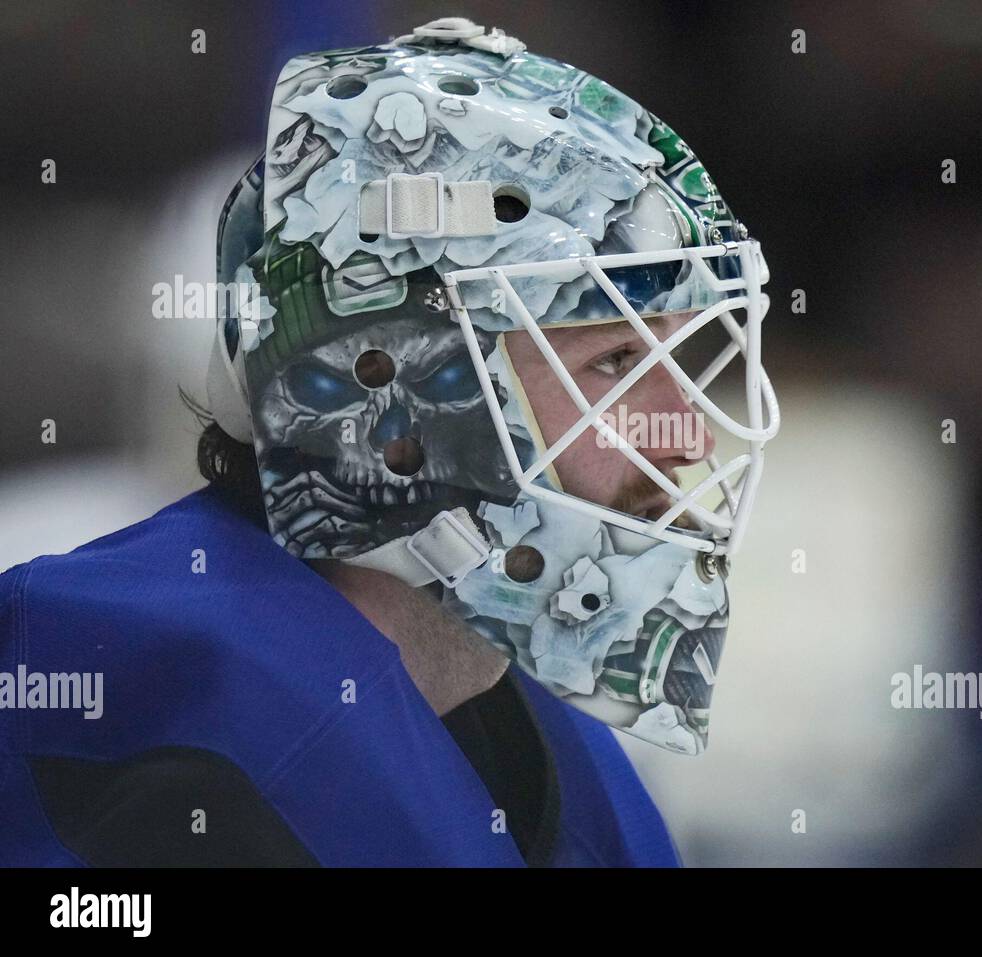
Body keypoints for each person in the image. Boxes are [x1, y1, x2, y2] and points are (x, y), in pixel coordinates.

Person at [0, 17, 779, 867]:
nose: (687, 430)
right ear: (396, 396)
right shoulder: (176, 760)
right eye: (619, 359)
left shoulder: (522, 731)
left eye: (679, 355)